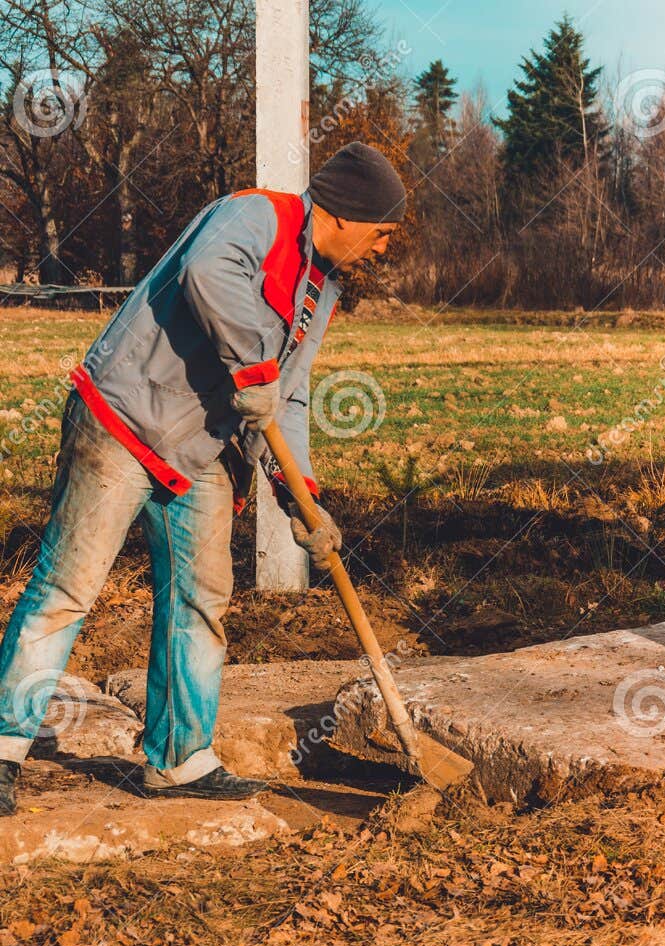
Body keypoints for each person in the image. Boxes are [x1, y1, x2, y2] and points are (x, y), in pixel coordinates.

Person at [0, 142, 406, 817]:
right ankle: (5, 745)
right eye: (383, 232)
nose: (384, 248)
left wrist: (299, 493)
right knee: (68, 588)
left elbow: (288, 397)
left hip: (200, 451)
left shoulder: (322, 289)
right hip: (124, 419)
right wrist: (253, 368)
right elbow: (205, 272)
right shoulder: (256, 217)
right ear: (348, 213)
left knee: (202, 599)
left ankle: (179, 759)